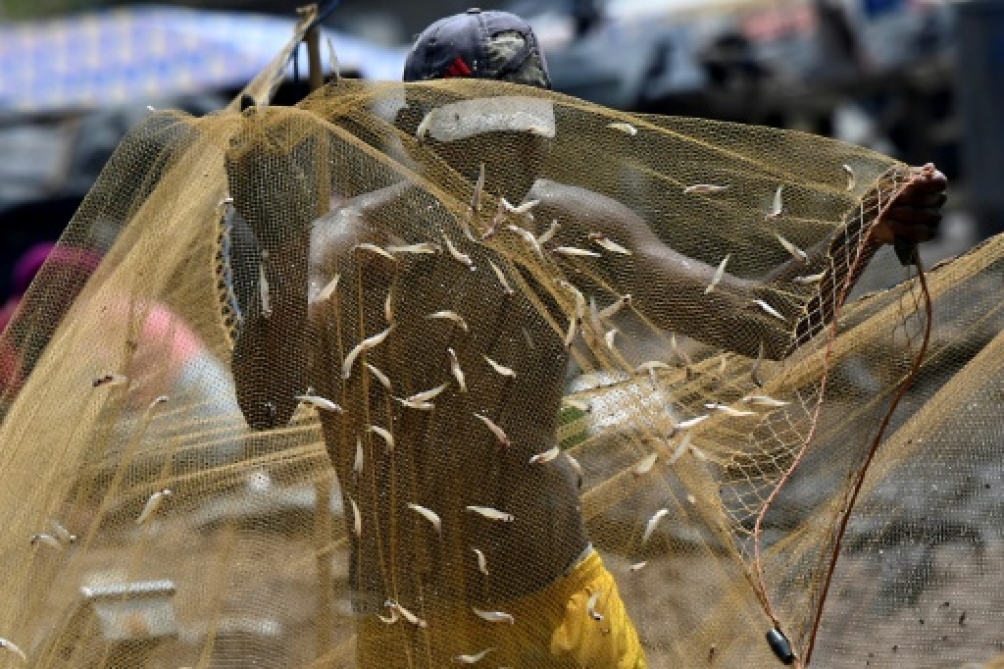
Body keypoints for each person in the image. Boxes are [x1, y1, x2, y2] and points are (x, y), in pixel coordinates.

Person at [225, 9, 946, 667]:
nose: (507, 159)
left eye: (523, 133)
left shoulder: (569, 226)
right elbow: (265, 402)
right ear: (419, 137)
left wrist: (867, 230)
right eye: (479, 136)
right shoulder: (343, 250)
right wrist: (283, 250)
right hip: (418, 633)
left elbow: (763, 322)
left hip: (568, 607)